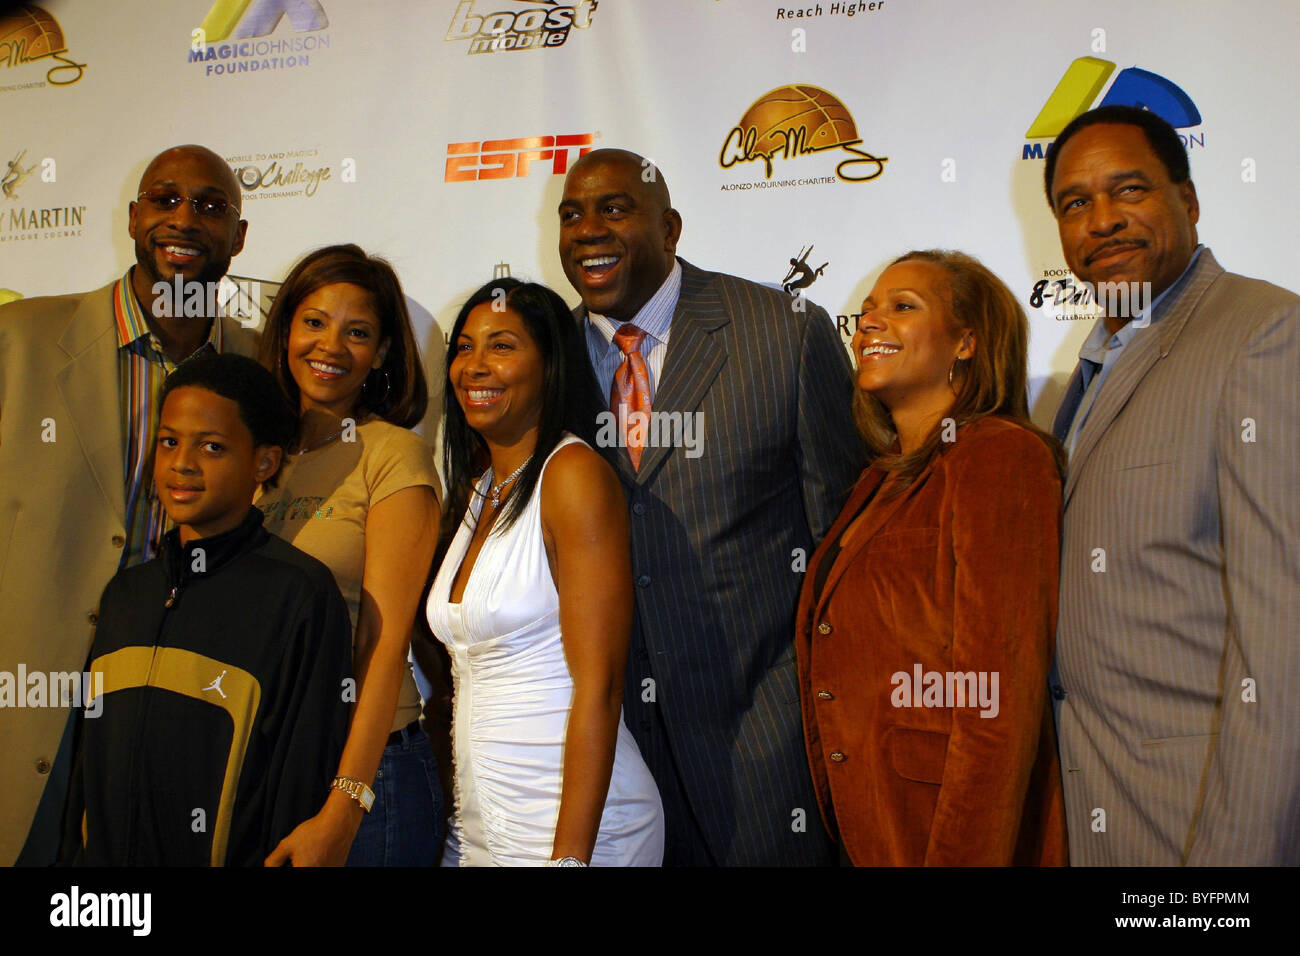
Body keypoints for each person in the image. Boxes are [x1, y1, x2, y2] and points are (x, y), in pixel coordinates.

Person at [557, 148, 861, 865]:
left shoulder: (781, 331)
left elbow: (844, 555)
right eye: (571, 214)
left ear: (671, 230)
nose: (587, 229)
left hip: (764, 752)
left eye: (614, 208)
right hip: (608, 761)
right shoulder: (544, 360)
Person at [1044, 105, 1300, 865]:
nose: (1103, 221)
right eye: (1075, 203)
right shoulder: (1088, 369)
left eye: (1130, 191)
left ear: (1188, 202)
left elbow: (1282, 640)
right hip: (1100, 811)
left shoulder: (1263, 333)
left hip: (1200, 825)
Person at [0, 144, 257, 866]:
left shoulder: (263, 371)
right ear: (136, 215)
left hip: (181, 716)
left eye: (211, 207)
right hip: (28, 712)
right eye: (166, 199)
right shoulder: (18, 343)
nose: (185, 219)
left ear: (238, 238)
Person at [794, 250, 1067, 865]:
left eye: (902, 307)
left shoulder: (999, 456)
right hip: (874, 822)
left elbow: (996, 698)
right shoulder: (880, 477)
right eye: (866, 311)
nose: (870, 323)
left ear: (966, 342)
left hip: (948, 830)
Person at [59, 354, 352, 866]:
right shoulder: (125, 595)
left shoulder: (298, 594)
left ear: (263, 463)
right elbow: (88, 770)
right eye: (169, 441)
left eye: (211, 447)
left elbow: (299, 779)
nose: (182, 464)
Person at [426, 278, 663, 866]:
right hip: (479, 824)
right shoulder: (481, 490)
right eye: (464, 347)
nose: (474, 366)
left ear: (550, 364)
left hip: (578, 827)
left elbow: (601, 687)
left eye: (502, 346)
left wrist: (569, 859)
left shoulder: (572, 475)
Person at [256, 245, 443, 866]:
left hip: (371, 772)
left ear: (383, 353)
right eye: (314, 322)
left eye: (357, 332)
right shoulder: (257, 458)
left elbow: (384, 645)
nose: (330, 347)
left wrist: (345, 805)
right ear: (285, 330)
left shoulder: (393, 456)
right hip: (277, 759)